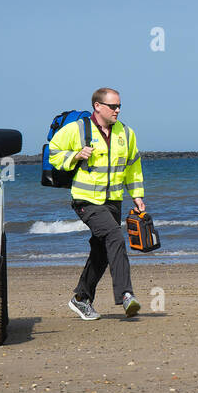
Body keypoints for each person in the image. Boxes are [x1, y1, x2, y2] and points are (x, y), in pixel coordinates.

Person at [47, 87, 144, 320]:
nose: (117, 110)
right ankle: (126, 295)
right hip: (86, 200)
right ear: (97, 106)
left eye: (119, 106)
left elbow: (133, 167)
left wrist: (137, 196)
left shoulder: (126, 133)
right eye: (113, 106)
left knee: (101, 251)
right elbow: (54, 153)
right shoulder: (77, 130)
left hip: (113, 201)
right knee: (115, 237)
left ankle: (81, 298)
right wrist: (75, 156)